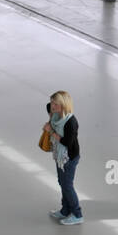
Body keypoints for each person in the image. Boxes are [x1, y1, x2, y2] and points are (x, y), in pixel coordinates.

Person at [43, 89, 82, 226]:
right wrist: (53, 106)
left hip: (69, 158)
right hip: (60, 156)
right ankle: (65, 210)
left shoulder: (71, 122)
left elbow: (66, 142)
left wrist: (51, 131)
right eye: (52, 103)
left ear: (64, 105)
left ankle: (77, 214)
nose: (52, 107)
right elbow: (48, 107)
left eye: (56, 104)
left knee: (67, 185)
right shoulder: (56, 114)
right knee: (62, 182)